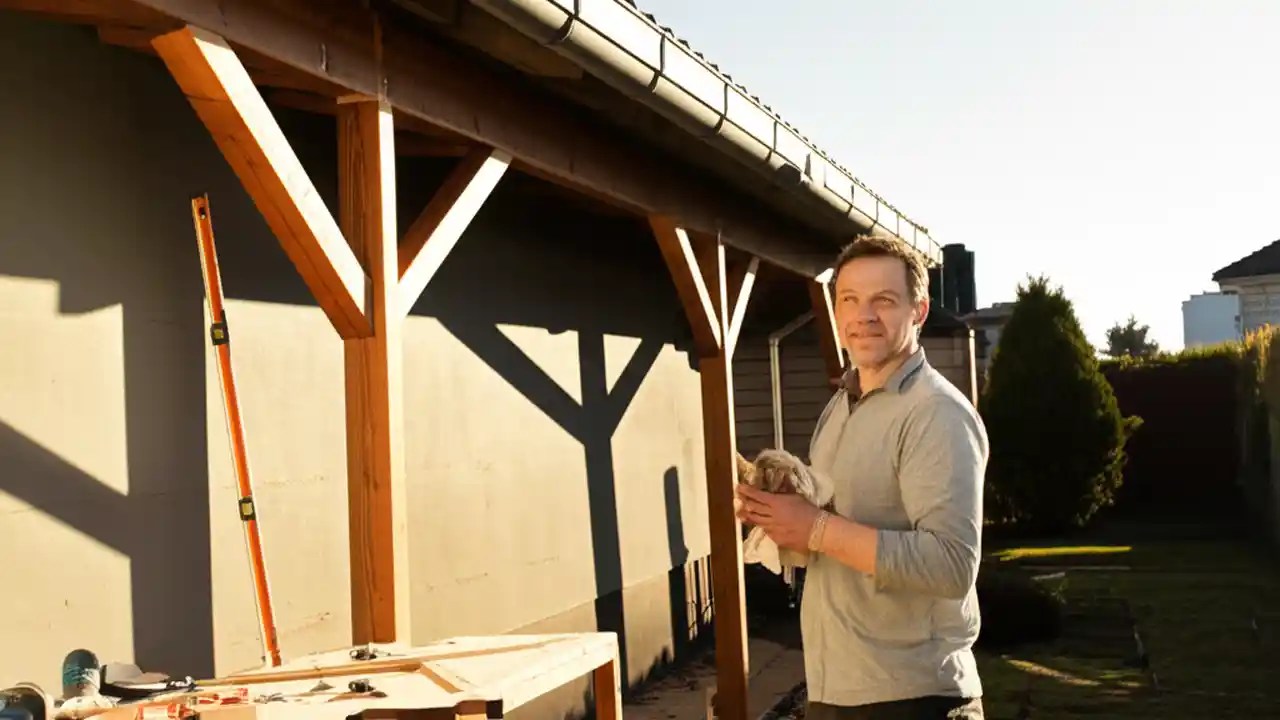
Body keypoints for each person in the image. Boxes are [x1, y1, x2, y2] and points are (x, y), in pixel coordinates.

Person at [735, 234, 988, 719]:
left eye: (883, 301)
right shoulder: (840, 407)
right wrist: (784, 517)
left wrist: (816, 527)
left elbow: (953, 565)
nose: (863, 315)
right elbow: (836, 536)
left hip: (915, 698)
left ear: (919, 310)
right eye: (849, 300)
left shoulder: (935, 413)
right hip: (838, 690)